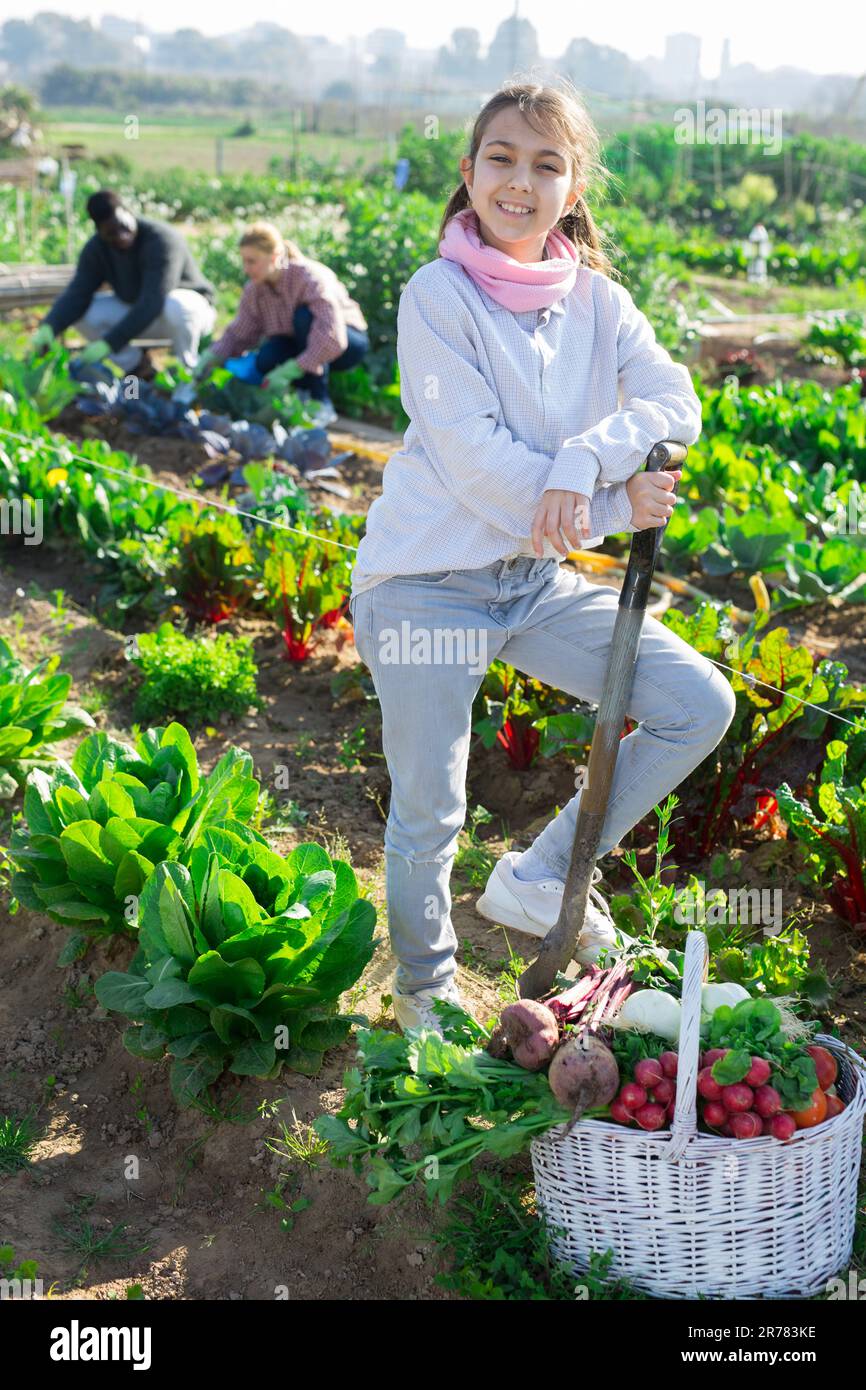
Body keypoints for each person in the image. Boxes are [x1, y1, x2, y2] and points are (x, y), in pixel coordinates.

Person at [348, 80, 737, 1034]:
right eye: (502, 159)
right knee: (433, 807)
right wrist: (611, 498)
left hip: (530, 584)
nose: (520, 182)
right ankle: (426, 993)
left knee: (697, 705)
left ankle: (536, 878)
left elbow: (672, 401)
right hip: (425, 590)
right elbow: (480, 469)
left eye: (546, 164)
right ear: (470, 170)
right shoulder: (437, 296)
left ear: (574, 185)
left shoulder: (599, 302)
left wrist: (583, 461)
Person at [195, 221, 369, 420]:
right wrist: (211, 356)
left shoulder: (309, 278)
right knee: (268, 356)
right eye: (244, 261)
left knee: (304, 318)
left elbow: (331, 338)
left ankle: (319, 400)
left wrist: (292, 370)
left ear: (274, 257)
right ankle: (296, 401)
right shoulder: (255, 289)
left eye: (252, 261)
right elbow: (239, 333)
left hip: (346, 343)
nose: (246, 269)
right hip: (303, 342)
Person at [30, 191, 217, 376]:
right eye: (111, 233)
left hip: (185, 316)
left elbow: (153, 301)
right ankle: (136, 368)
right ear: (99, 231)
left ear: (128, 212)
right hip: (141, 317)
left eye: (123, 227)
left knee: (175, 305)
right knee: (84, 312)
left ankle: (190, 374)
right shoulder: (97, 250)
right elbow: (78, 292)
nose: (121, 236)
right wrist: (50, 325)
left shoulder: (161, 240)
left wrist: (109, 343)